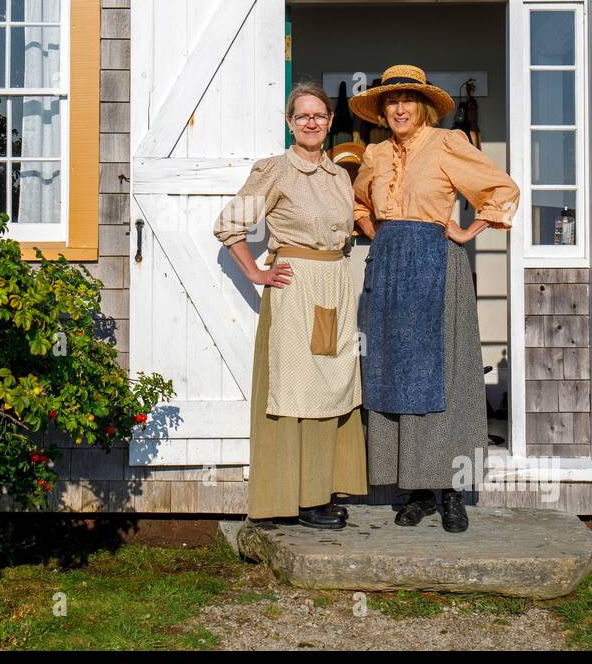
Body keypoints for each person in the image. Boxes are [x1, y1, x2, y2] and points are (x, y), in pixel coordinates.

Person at [350, 65, 520, 532]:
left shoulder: (448, 143)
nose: (399, 108)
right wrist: (379, 235)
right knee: (393, 373)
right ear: (382, 110)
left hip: (437, 266)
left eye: (407, 100)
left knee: (442, 375)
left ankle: (450, 492)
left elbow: (501, 189)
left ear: (423, 106)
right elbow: (359, 205)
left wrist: (466, 230)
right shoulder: (375, 153)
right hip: (388, 271)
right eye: (390, 101)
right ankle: (416, 489)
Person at [214, 82, 367, 530]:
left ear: (330, 122)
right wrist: (257, 273)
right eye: (303, 116)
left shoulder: (341, 176)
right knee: (295, 391)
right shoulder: (275, 170)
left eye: (319, 115)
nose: (312, 123)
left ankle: (319, 493)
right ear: (289, 123)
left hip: (336, 286)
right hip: (297, 289)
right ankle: (288, 497)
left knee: (332, 387)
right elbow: (228, 225)